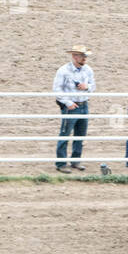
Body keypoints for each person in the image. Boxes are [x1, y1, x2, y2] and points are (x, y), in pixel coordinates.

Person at [53, 45, 95, 173]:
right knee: (65, 133)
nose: (84, 58)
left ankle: (75, 160)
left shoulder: (88, 70)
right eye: (82, 56)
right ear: (75, 56)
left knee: (80, 135)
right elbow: (57, 89)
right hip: (71, 106)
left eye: (85, 56)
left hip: (83, 104)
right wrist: (67, 102)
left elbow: (93, 86)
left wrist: (86, 86)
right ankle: (61, 163)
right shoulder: (63, 70)